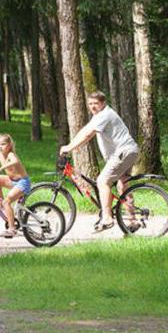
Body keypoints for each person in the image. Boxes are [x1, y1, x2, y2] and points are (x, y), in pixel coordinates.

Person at [60, 91, 139, 231]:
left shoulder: (104, 115)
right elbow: (85, 129)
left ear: (103, 103)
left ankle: (107, 218)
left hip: (123, 152)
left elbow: (87, 135)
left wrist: (70, 147)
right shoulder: (99, 116)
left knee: (103, 181)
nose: (92, 106)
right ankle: (133, 220)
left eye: (96, 103)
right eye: (90, 104)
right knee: (122, 186)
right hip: (129, 151)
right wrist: (71, 144)